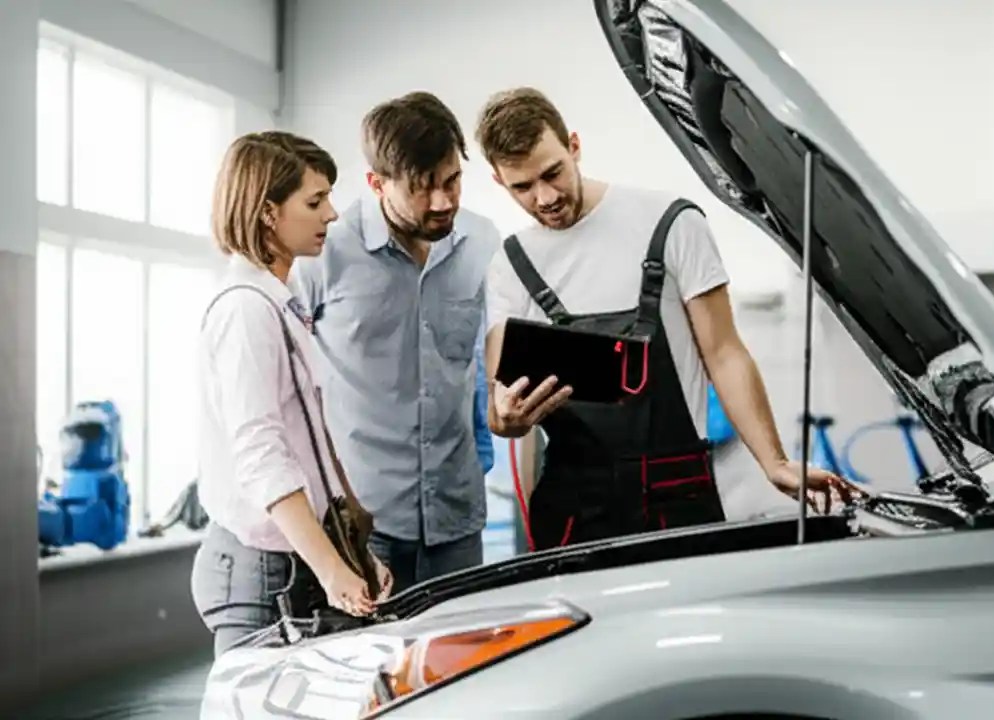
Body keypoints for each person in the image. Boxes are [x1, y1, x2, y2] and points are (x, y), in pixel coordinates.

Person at [476, 87, 855, 551]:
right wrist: (509, 421)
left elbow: (724, 353)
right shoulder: (510, 263)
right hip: (574, 506)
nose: (546, 196)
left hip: (677, 493)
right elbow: (500, 404)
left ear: (574, 145)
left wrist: (774, 462)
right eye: (523, 187)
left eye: (553, 173)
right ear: (499, 181)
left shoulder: (670, 222)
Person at [291, 91, 500, 595]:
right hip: (363, 526)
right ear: (376, 183)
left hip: (458, 523)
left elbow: (484, 363)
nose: (444, 201)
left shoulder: (482, 243)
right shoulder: (324, 252)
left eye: (452, 181)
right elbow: (288, 387)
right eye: (423, 189)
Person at [192, 131, 392, 657]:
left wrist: (352, 553)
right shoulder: (245, 309)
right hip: (260, 575)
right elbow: (262, 455)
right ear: (267, 213)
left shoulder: (282, 300)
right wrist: (332, 571)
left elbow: (313, 442)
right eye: (315, 200)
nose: (331, 214)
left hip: (293, 561)